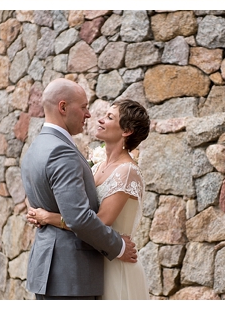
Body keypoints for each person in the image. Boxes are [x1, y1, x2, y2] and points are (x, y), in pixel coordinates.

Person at [20, 80, 139, 299]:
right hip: (71, 275)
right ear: (63, 108)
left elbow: (36, 200)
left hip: (50, 271)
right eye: (83, 107)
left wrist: (45, 215)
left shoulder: (35, 148)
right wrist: (119, 246)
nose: (89, 115)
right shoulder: (61, 152)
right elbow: (79, 218)